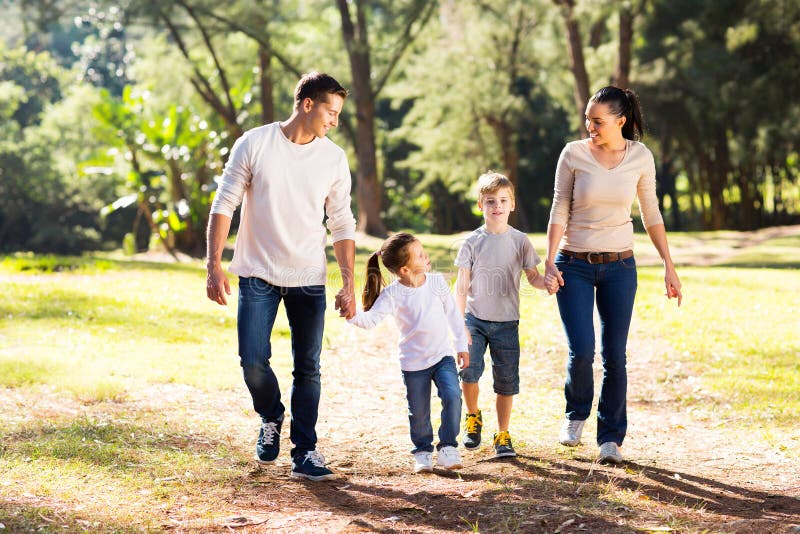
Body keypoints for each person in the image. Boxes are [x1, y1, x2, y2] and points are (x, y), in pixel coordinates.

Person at [205, 72, 357, 481]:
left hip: (308, 276)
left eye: (338, 114)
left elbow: (342, 223)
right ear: (307, 104)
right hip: (258, 273)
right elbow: (224, 203)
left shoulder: (333, 158)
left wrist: (347, 283)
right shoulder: (254, 143)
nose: (335, 121)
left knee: (308, 367)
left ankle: (305, 451)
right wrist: (213, 263)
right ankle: (271, 414)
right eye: (331, 112)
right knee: (253, 361)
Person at [544, 86, 683, 464]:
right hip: (573, 264)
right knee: (581, 350)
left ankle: (610, 438)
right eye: (587, 120)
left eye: (598, 121)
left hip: (620, 267)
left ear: (620, 121)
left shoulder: (640, 156)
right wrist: (549, 260)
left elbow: (651, 213)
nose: (590, 127)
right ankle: (576, 414)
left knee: (614, 356)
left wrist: (669, 264)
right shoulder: (573, 153)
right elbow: (559, 208)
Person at [346, 233, 469, 473]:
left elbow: (453, 316)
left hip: (442, 356)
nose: (426, 256)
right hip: (413, 364)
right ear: (404, 269)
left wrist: (461, 345)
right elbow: (371, 320)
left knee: (453, 396)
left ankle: (448, 447)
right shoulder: (392, 294)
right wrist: (351, 315)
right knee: (419, 411)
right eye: (420, 255)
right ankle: (423, 451)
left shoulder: (436, 282)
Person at [454, 172, 547, 458]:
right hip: (474, 319)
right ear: (480, 205)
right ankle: (473, 416)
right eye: (491, 201)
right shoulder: (472, 241)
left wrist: (548, 282)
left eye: (504, 200)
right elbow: (461, 286)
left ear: (513, 204)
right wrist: (459, 326)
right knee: (468, 372)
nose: (498, 206)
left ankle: (503, 433)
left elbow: (534, 277)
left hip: (507, 322)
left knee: (506, 381)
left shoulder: (520, 241)